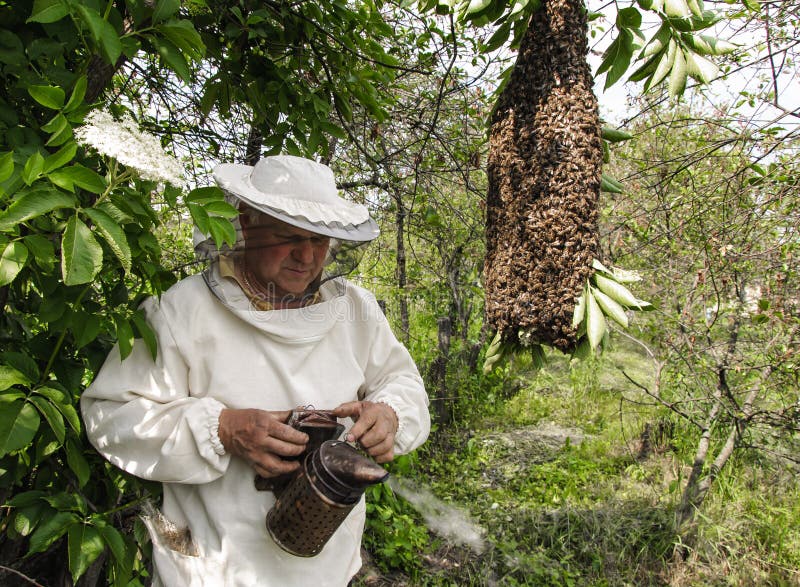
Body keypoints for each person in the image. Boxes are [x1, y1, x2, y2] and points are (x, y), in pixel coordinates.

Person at [81, 155, 431, 586]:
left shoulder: (354, 309)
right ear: (246, 224)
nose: (307, 256)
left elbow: (403, 382)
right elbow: (112, 416)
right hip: (211, 569)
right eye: (289, 237)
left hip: (327, 570)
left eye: (320, 240)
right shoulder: (180, 310)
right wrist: (222, 429)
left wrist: (390, 413)